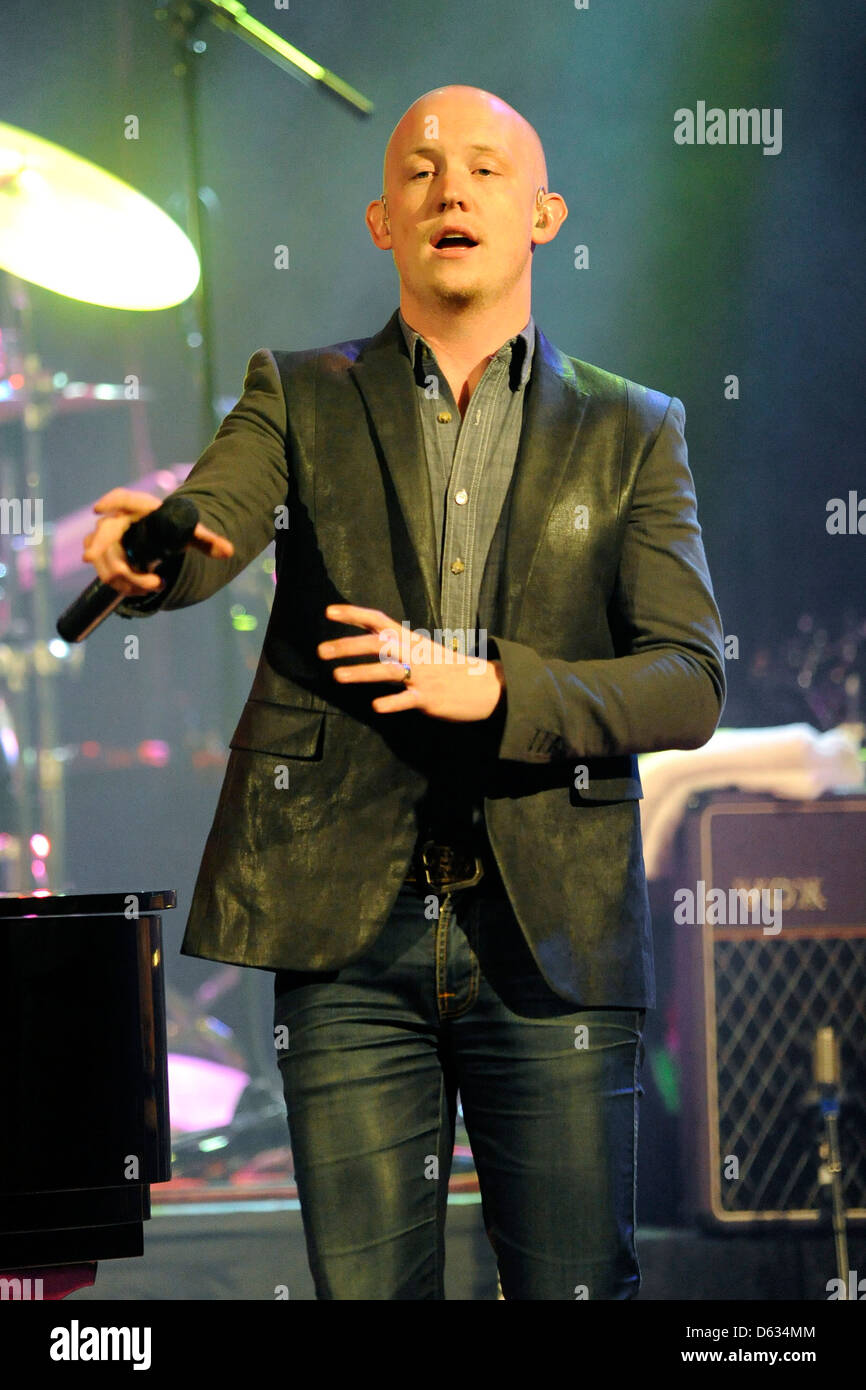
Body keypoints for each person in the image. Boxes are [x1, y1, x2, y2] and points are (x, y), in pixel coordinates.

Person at [82, 84, 725, 1300]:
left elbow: (687, 681)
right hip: (344, 936)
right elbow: (211, 515)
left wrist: (494, 689)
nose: (450, 189)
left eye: (484, 170)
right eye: (421, 170)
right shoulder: (299, 392)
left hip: (553, 944)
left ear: (541, 214)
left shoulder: (632, 429)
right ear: (382, 219)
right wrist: (158, 545)